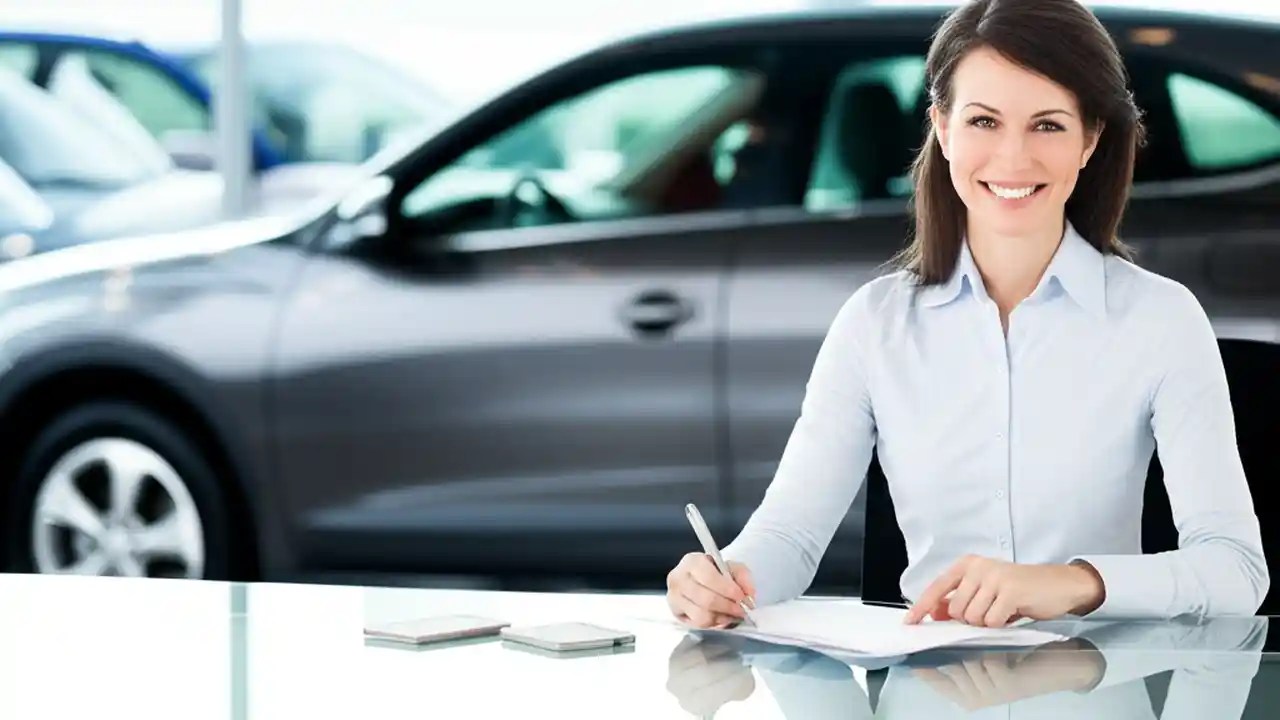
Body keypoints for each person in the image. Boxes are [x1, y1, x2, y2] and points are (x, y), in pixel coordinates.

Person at [665, 0, 1269, 630]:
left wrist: (1071, 584)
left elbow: (1235, 571)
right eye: (984, 121)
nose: (1013, 158)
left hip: (1094, 689)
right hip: (926, 686)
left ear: (1090, 139)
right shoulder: (874, 324)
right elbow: (790, 536)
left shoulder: (1160, 320)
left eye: (1048, 125)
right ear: (943, 128)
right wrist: (726, 579)